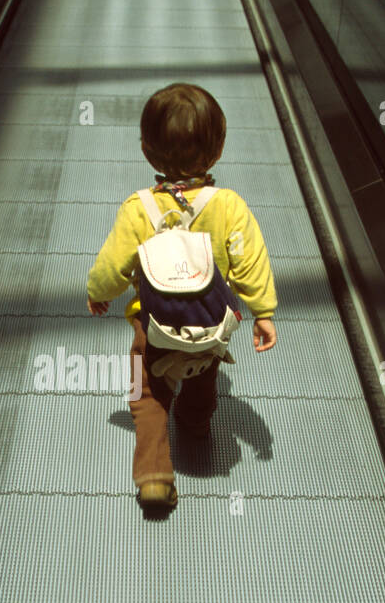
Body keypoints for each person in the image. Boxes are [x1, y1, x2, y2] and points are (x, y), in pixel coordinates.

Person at [86, 84, 278, 510]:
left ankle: (154, 475)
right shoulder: (228, 205)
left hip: (150, 323)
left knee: (146, 393)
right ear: (219, 149)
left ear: (146, 150)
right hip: (209, 321)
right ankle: (195, 424)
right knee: (201, 374)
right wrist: (262, 311)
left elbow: (112, 263)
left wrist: (98, 294)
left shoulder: (138, 208)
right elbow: (250, 261)